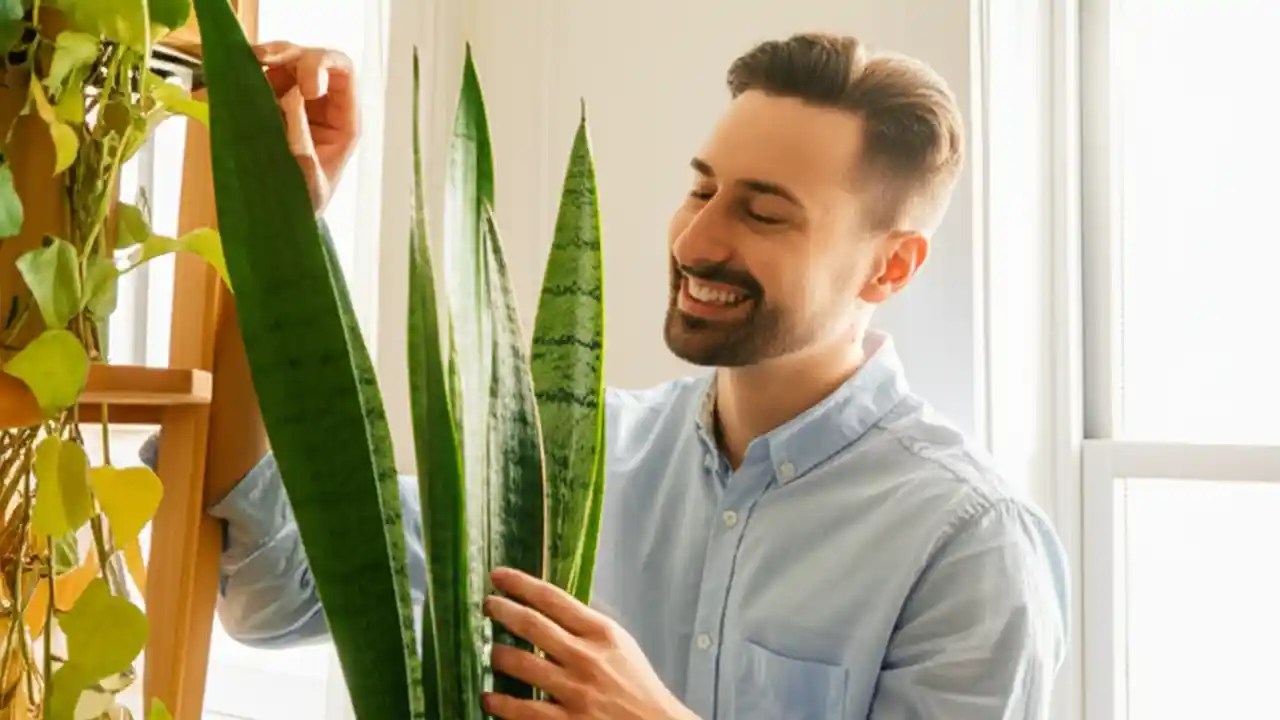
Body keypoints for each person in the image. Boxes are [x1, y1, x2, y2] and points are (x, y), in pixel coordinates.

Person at [149, 31, 1069, 719]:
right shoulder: (570, 458)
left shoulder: (972, 548)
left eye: (766, 213)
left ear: (891, 267)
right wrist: (277, 225)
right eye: (703, 188)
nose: (698, 241)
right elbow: (280, 587)